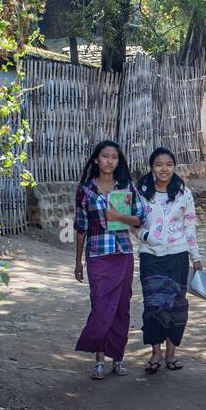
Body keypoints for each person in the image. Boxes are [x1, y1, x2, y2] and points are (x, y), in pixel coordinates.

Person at [73, 140, 146, 379]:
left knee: (121, 307)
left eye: (114, 157)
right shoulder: (85, 190)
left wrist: (118, 216)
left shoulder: (126, 187)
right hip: (97, 254)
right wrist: (78, 262)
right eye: (105, 156)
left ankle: (118, 359)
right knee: (101, 305)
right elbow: (81, 227)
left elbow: (139, 219)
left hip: (123, 253)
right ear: (96, 159)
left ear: (118, 161)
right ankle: (99, 361)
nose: (109, 161)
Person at [135, 147, 204, 373]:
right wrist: (146, 236)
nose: (164, 169)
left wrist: (196, 257)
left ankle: (171, 354)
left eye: (168, 164)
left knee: (176, 305)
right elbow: (131, 222)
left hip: (178, 255)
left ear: (174, 167)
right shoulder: (141, 191)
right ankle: (155, 353)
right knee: (153, 304)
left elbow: (189, 226)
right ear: (152, 167)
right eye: (158, 164)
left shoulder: (183, 192)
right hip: (150, 257)